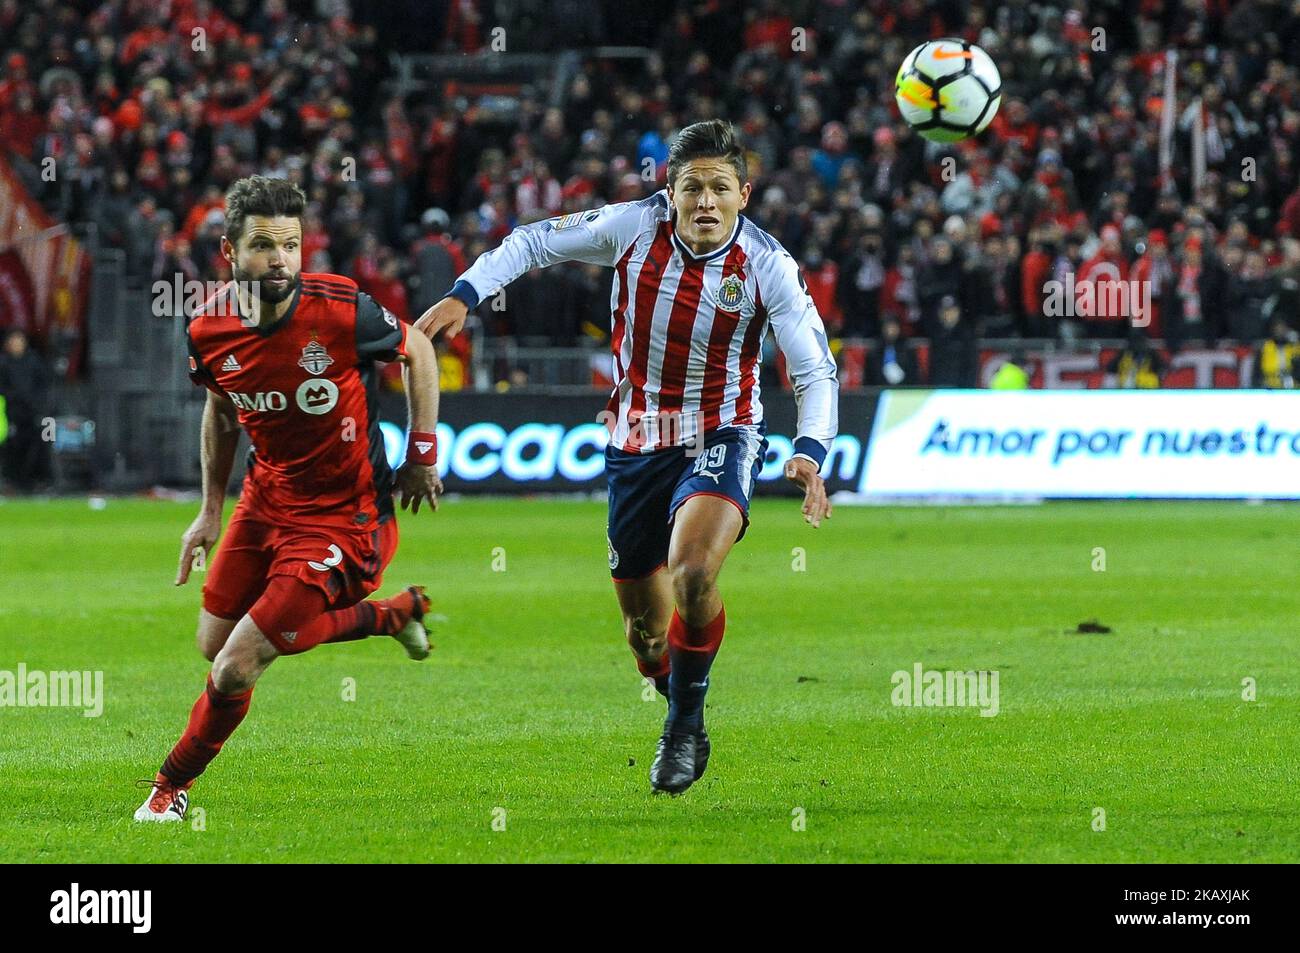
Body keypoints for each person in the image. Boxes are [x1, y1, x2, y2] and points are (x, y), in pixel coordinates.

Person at [415, 120, 838, 794]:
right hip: (635, 440)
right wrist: (465, 294)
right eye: (691, 187)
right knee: (647, 635)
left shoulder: (767, 265)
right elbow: (531, 242)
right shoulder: (630, 228)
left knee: (694, 572)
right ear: (668, 192)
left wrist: (811, 451)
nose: (705, 201)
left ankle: (682, 728)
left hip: (721, 432)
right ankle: (680, 704)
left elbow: (814, 370)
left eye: (719, 188)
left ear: (745, 194)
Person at [134, 177, 444, 822]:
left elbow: (416, 348)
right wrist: (211, 511)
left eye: (291, 244)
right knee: (211, 642)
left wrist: (422, 454)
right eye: (263, 246)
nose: (280, 259)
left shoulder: (340, 308)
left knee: (235, 667)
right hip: (264, 502)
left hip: (346, 518)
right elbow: (221, 417)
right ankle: (391, 616)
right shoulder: (209, 329)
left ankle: (169, 789)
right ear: (229, 251)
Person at [0, 329, 52, 492]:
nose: (17, 344)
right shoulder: (3, 363)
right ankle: (13, 481)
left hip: (35, 413)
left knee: (40, 444)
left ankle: (39, 481)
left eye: (19, 340)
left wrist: (39, 405)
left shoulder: (34, 361)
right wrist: (16, 398)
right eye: (14, 341)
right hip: (13, 413)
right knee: (13, 447)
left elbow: (44, 385)